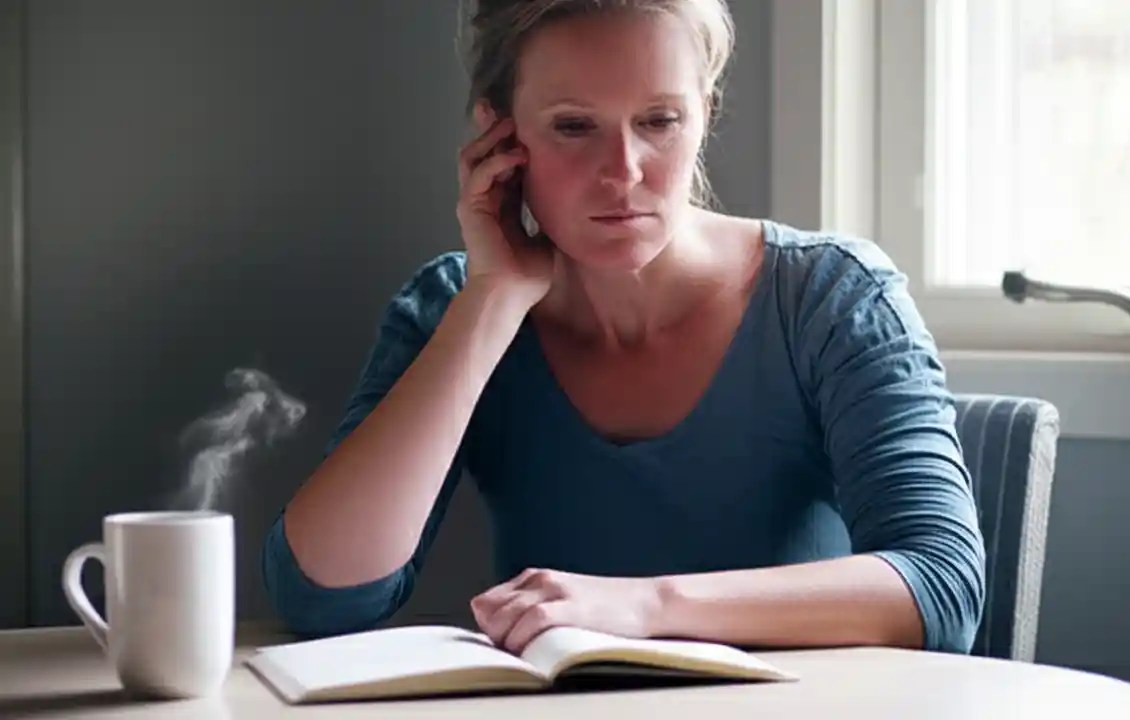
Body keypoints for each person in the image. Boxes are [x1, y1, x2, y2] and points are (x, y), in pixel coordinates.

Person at [262, 0, 986, 656]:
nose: (624, 170)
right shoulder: (454, 307)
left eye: (659, 121)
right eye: (574, 126)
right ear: (499, 134)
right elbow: (324, 596)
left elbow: (942, 588)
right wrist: (491, 302)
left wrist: (642, 605)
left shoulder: (830, 298)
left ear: (704, 110)